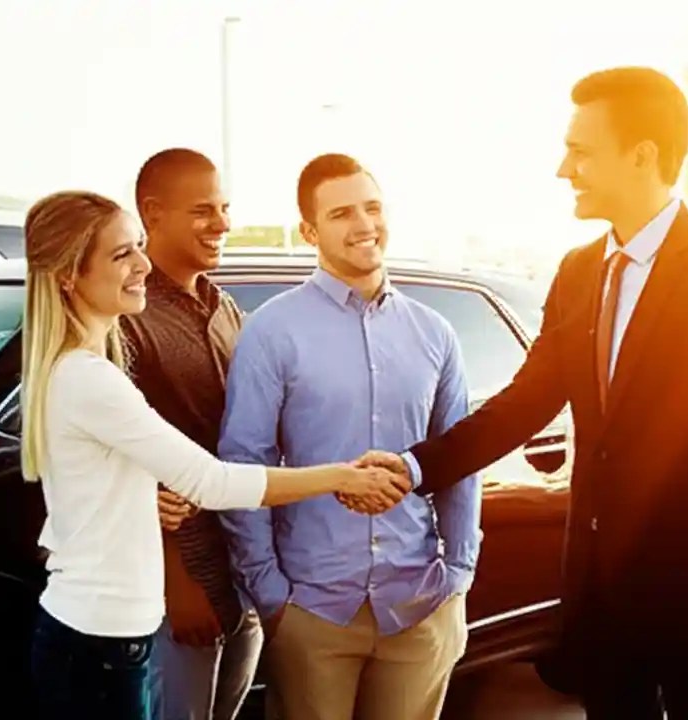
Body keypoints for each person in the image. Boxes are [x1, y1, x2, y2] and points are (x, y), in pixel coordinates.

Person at [358, 67, 688, 719]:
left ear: (642, 155)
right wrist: (417, 465)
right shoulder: (582, 270)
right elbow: (528, 399)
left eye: (581, 151)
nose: (566, 169)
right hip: (598, 592)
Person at [21, 190, 408, 720]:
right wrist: (344, 476)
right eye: (121, 255)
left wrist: (140, 500)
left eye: (138, 247)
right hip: (96, 642)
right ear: (69, 274)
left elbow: (81, 504)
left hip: (98, 631)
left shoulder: (77, 369)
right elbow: (213, 483)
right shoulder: (89, 380)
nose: (142, 265)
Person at [218, 153, 482, 720]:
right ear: (310, 231)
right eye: (341, 213)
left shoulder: (434, 332)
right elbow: (244, 461)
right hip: (313, 609)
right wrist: (271, 595)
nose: (363, 224)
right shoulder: (273, 330)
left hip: (420, 604)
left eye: (373, 207)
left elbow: (460, 458)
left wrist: (459, 575)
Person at [118, 148, 261, 720]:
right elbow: (127, 456)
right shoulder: (128, 316)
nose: (223, 224)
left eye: (225, 207)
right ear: (152, 214)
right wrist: (177, 578)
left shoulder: (223, 306)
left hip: (242, 572)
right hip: (177, 586)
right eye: (203, 210)